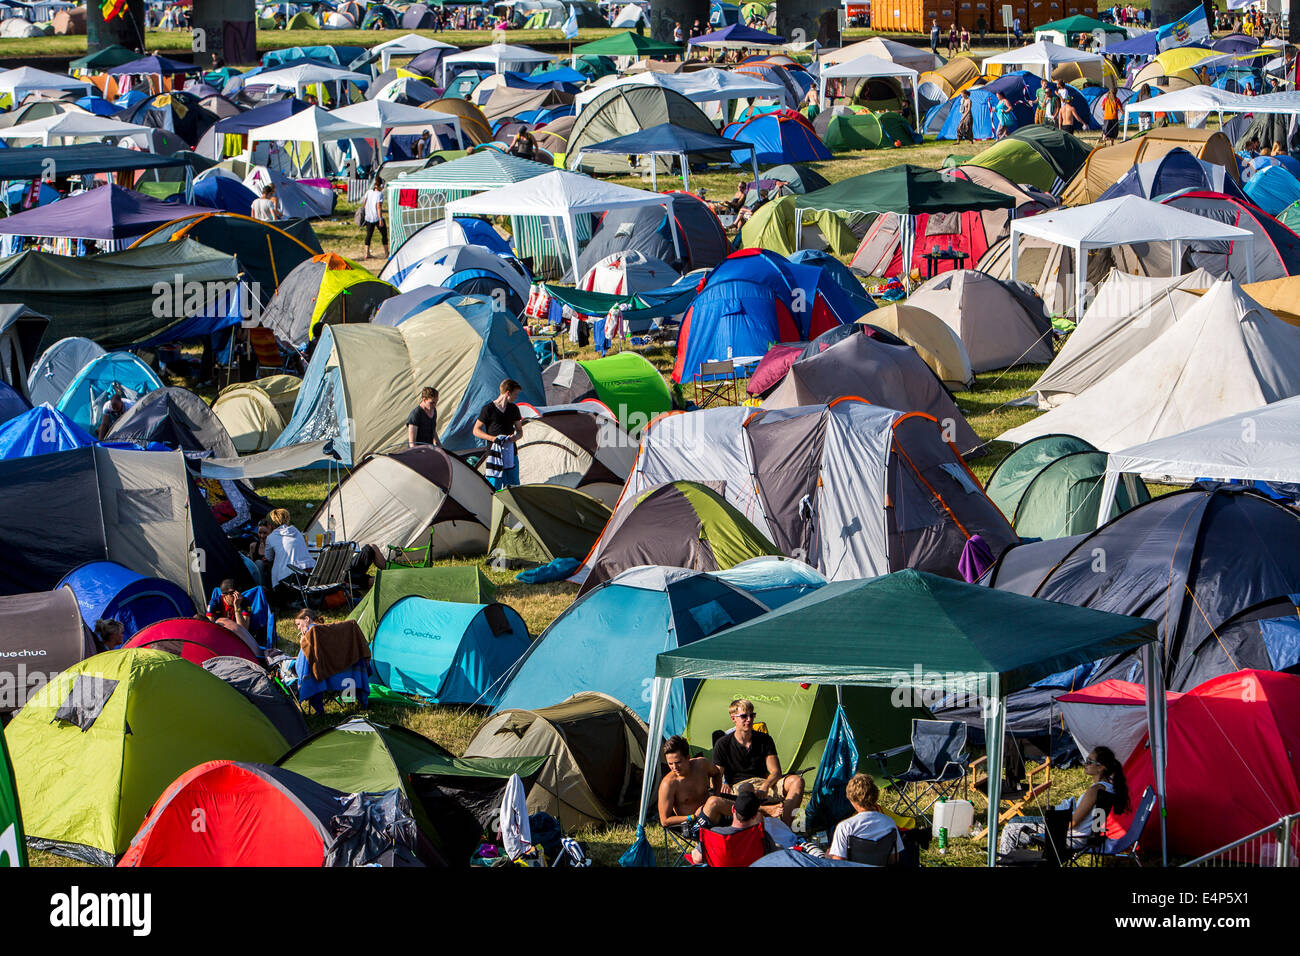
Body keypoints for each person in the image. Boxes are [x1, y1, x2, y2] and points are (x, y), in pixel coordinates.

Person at [999, 746, 1130, 855]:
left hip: (1069, 838)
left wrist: (1054, 819)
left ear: (1101, 767)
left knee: (1010, 829)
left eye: (1089, 762)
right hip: (1080, 836)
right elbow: (1096, 823)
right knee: (1015, 820)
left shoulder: (1095, 791)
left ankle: (1008, 862)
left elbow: (1072, 823)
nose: (1085, 764)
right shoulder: (1108, 788)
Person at [711, 698, 805, 826]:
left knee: (797, 781)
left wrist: (765, 786)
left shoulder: (764, 739)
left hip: (763, 783)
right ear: (733, 718)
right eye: (744, 716)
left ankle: (786, 827)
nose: (749, 719)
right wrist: (724, 783)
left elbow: (775, 771)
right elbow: (716, 775)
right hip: (739, 788)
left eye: (752, 715)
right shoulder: (723, 744)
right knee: (747, 788)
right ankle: (765, 813)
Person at [657, 735, 729, 836]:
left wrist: (717, 793)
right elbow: (664, 821)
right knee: (714, 802)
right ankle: (752, 812)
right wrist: (692, 816)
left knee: (747, 791)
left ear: (688, 757)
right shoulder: (668, 784)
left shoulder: (701, 764)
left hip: (713, 815)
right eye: (670, 763)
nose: (674, 767)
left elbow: (717, 774)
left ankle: (752, 813)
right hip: (692, 825)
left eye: (678, 762)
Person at [688, 785, 777, 865]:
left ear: (733, 809)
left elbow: (697, 859)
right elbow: (772, 859)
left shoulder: (716, 834)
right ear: (754, 816)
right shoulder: (761, 836)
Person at [828, 774, 903, 863]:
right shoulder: (889, 823)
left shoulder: (844, 827)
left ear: (851, 799)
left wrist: (828, 857)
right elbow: (894, 859)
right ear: (875, 796)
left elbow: (838, 863)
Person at [473, 378, 524, 490]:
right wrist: (493, 438)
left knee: (513, 487)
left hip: (511, 454)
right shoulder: (488, 409)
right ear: (507, 393)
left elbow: (520, 431)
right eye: (515, 394)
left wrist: (515, 437)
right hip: (494, 454)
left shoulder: (514, 409)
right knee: (493, 487)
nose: (516, 397)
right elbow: (476, 430)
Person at [263, 507, 315, 604]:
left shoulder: (270, 538)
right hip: (310, 572)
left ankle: (273, 594)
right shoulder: (296, 532)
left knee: (269, 565)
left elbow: (268, 557)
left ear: (270, 525)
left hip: (292, 577)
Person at [360, 177, 387, 260]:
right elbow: (378, 207)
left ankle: (366, 253)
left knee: (369, 235)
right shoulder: (379, 194)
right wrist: (380, 219)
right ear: (380, 186)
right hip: (376, 217)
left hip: (368, 217)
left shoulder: (368, 192)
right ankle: (386, 252)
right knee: (384, 234)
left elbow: (364, 204)